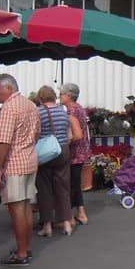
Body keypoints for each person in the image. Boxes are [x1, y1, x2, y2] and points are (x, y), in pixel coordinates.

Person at [0, 73, 40, 265]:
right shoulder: (30, 104)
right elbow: (37, 133)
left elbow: (3, 141)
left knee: (16, 208)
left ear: (8, 88)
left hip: (13, 164)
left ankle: (21, 252)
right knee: (26, 206)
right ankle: (25, 248)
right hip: (29, 160)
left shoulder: (8, 108)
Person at [35, 85, 73, 237]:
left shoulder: (39, 112)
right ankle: (66, 223)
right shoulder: (63, 113)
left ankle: (47, 226)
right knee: (63, 188)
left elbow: (36, 134)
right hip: (62, 149)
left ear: (40, 98)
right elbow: (69, 135)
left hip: (45, 153)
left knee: (44, 189)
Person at [59, 83, 91, 226]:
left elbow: (77, 135)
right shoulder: (79, 108)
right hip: (82, 151)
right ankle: (81, 212)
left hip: (75, 152)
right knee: (75, 184)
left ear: (69, 96)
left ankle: (70, 217)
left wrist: (66, 143)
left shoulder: (71, 110)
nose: (59, 96)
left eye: (61, 94)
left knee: (71, 185)